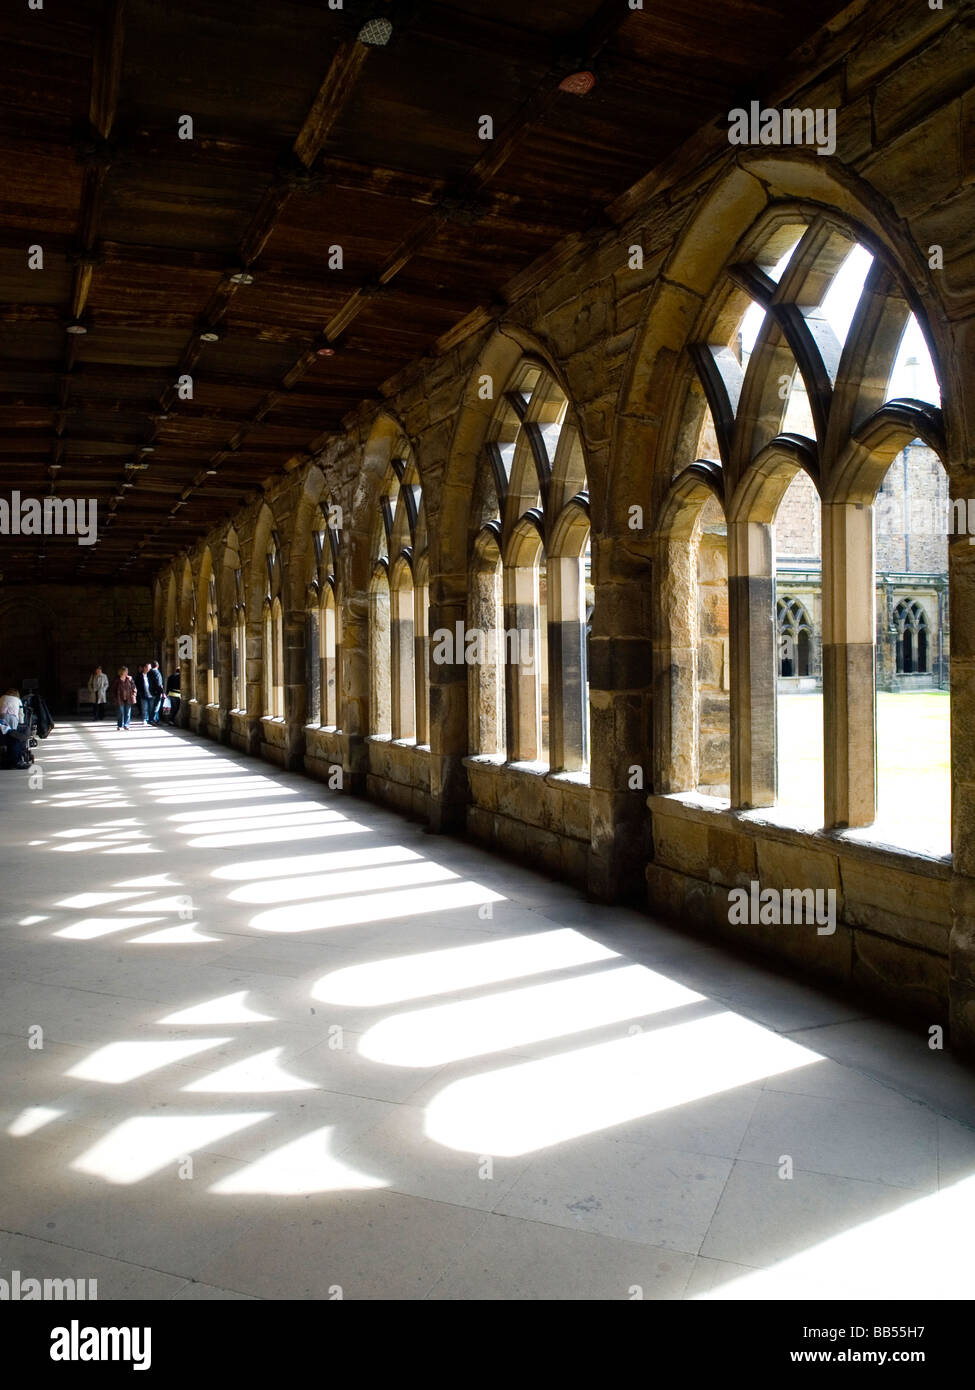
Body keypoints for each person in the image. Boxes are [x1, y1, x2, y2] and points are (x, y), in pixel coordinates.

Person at [147, 660, 165, 725]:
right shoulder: (156, 672)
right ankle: (151, 719)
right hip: (157, 691)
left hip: (151, 691)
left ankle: (156, 720)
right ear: (158, 666)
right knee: (156, 706)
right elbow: (159, 684)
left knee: (154, 705)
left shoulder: (149, 673)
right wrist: (163, 692)